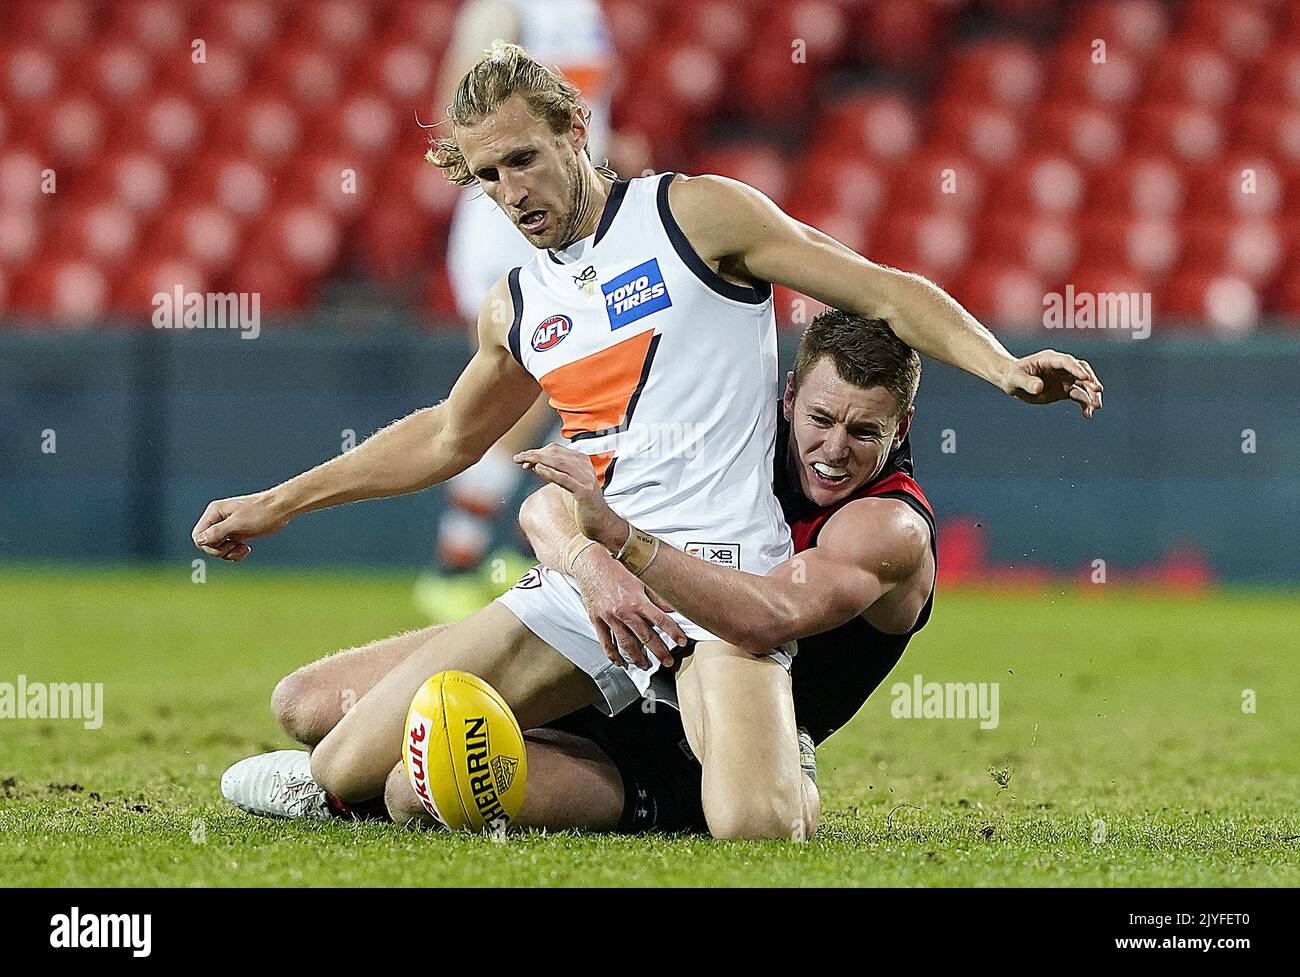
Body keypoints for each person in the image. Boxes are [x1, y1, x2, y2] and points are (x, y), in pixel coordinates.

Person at [201, 42, 1102, 839]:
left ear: (574, 129)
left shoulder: (696, 218)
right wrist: (279, 502)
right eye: (486, 176)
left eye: (523, 158)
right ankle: (589, 754)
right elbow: (445, 435)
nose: (512, 193)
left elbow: (883, 290)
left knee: (755, 826)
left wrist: (1004, 366)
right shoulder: (519, 302)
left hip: (720, 578)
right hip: (590, 587)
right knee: (342, 771)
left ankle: (763, 757)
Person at [419, 0, 619, 624]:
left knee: (575, 392)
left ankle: (506, 555)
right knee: (535, 388)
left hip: (568, 215)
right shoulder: (506, 7)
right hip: (510, 224)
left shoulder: (583, 12)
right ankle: (462, 562)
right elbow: (459, 110)